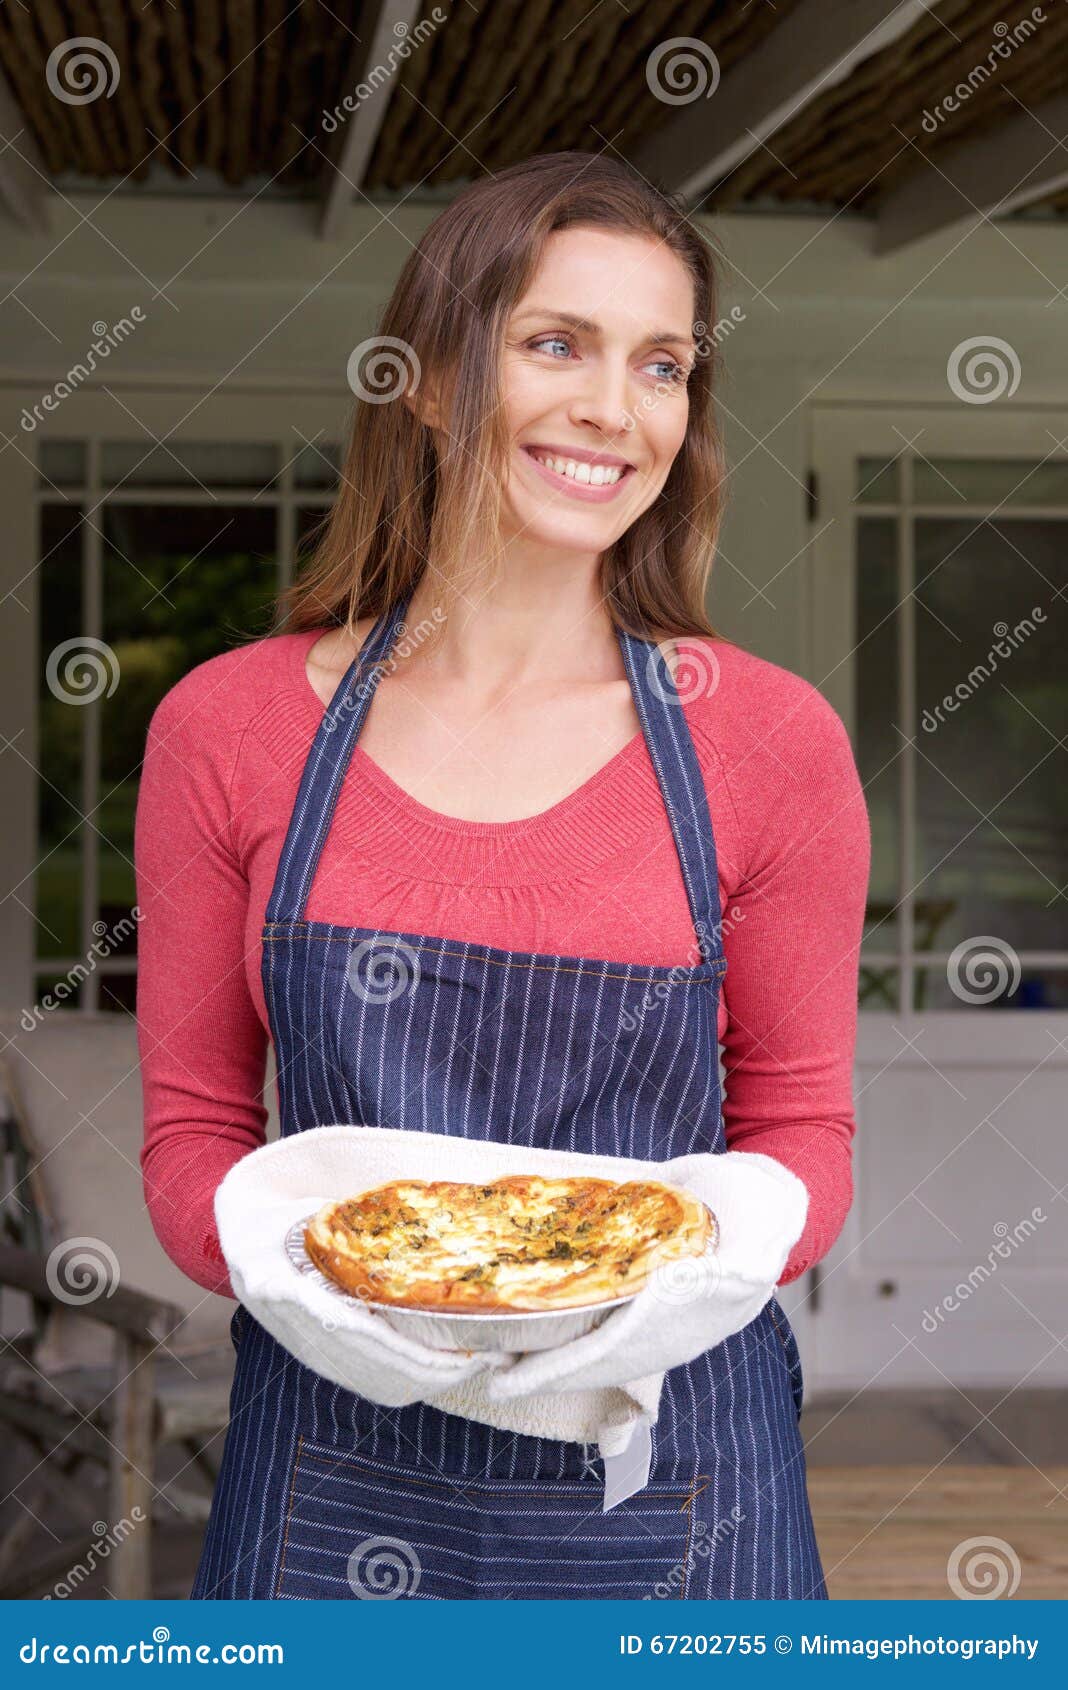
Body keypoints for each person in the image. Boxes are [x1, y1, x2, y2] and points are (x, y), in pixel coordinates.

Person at [135, 150, 870, 1600]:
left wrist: (648, 1297)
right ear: (424, 379)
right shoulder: (229, 728)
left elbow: (805, 1136)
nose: (614, 409)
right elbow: (193, 1137)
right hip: (329, 1464)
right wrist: (336, 1293)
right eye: (555, 345)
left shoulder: (769, 742)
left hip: (677, 1470)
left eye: (661, 365)